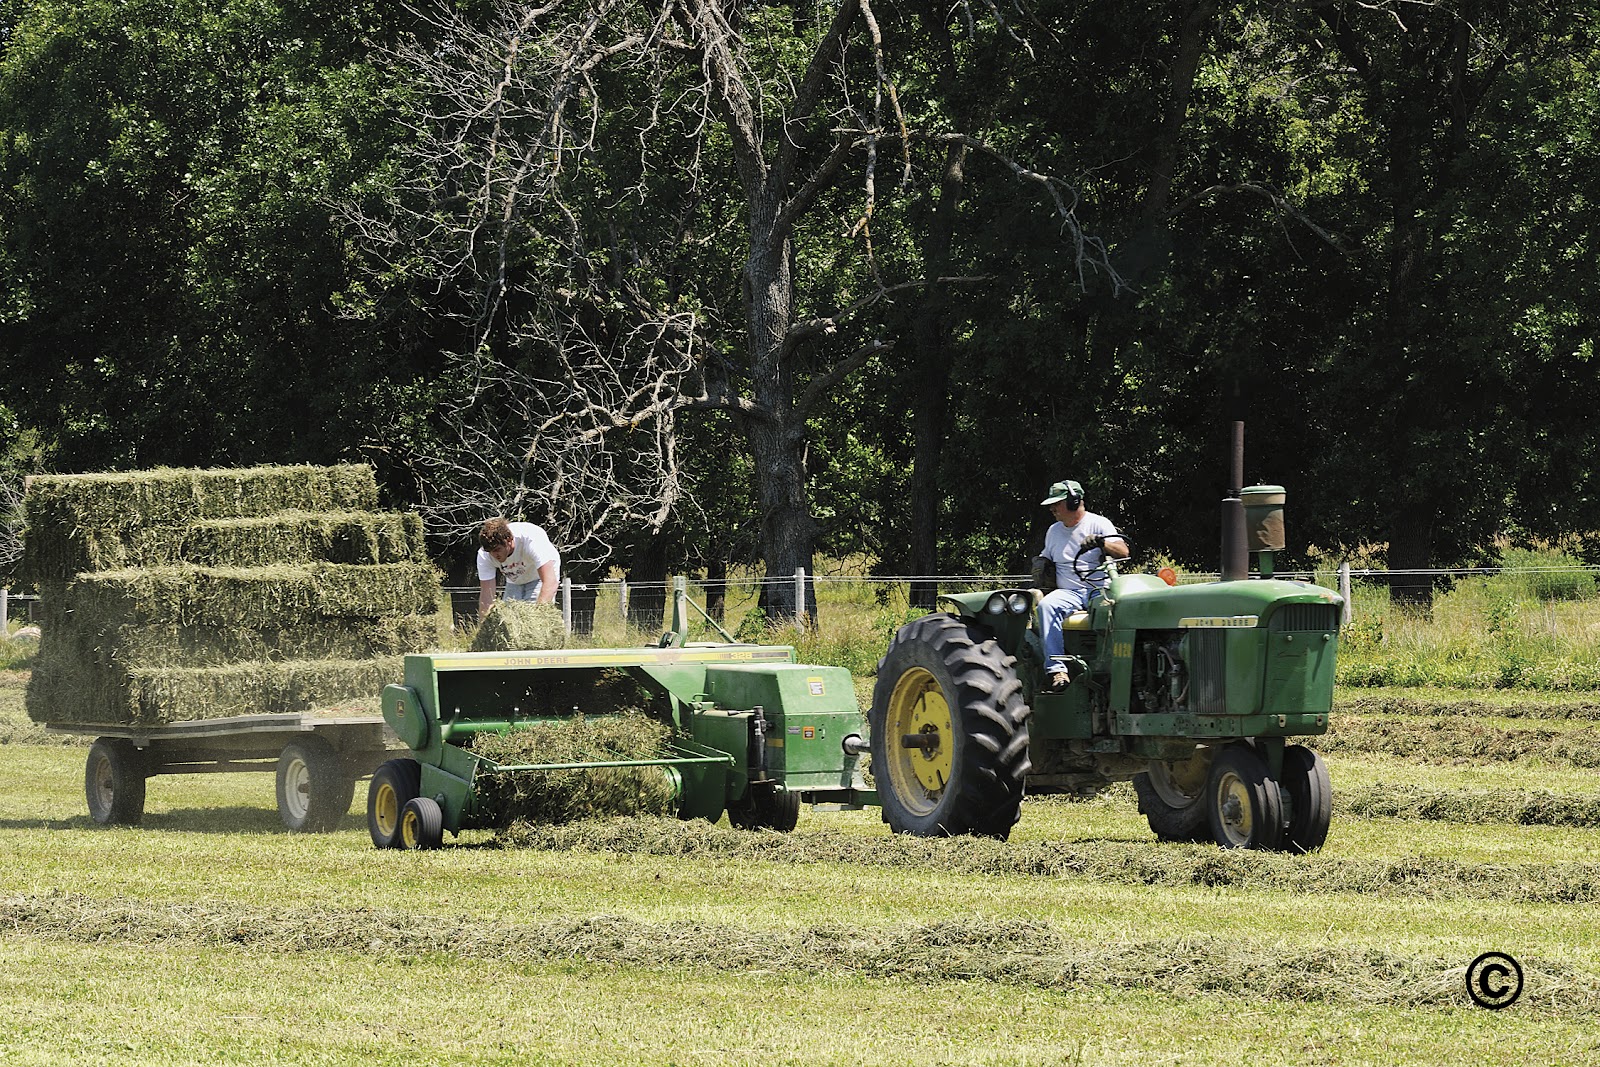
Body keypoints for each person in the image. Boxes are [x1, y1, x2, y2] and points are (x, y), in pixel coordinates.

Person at [1037, 478, 1127, 691]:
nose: (1052, 508)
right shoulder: (1053, 531)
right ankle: (1058, 670)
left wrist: (1101, 542)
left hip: (1098, 589)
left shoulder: (1098, 523)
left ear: (1074, 502)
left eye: (1057, 503)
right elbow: (1044, 561)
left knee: (1112, 611)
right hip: (1068, 591)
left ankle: (1112, 667)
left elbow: (1124, 552)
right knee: (1046, 606)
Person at [476, 516, 560, 619]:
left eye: (497, 549)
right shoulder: (484, 555)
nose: (494, 555)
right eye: (490, 551)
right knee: (509, 619)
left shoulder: (532, 539)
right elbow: (487, 595)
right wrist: (484, 626)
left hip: (539, 576)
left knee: (531, 617)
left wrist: (538, 620)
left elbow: (550, 582)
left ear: (509, 540)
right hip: (515, 578)